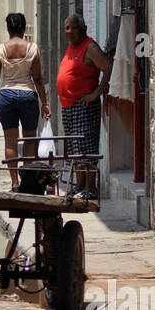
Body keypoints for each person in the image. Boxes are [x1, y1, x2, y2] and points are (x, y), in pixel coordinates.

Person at [0, 13, 51, 190]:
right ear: (23, 28)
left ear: (8, 29)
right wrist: (45, 103)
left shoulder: (1, 50)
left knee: (10, 141)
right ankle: (28, 181)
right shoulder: (33, 49)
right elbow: (38, 79)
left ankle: (14, 182)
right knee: (29, 140)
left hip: (7, 97)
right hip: (28, 96)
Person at [56, 13, 113, 198]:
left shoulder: (90, 47)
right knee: (75, 149)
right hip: (69, 106)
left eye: (74, 27)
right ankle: (80, 187)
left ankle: (90, 188)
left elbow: (108, 67)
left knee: (86, 149)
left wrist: (95, 94)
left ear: (84, 29)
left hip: (83, 106)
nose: (70, 31)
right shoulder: (71, 47)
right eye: (67, 28)